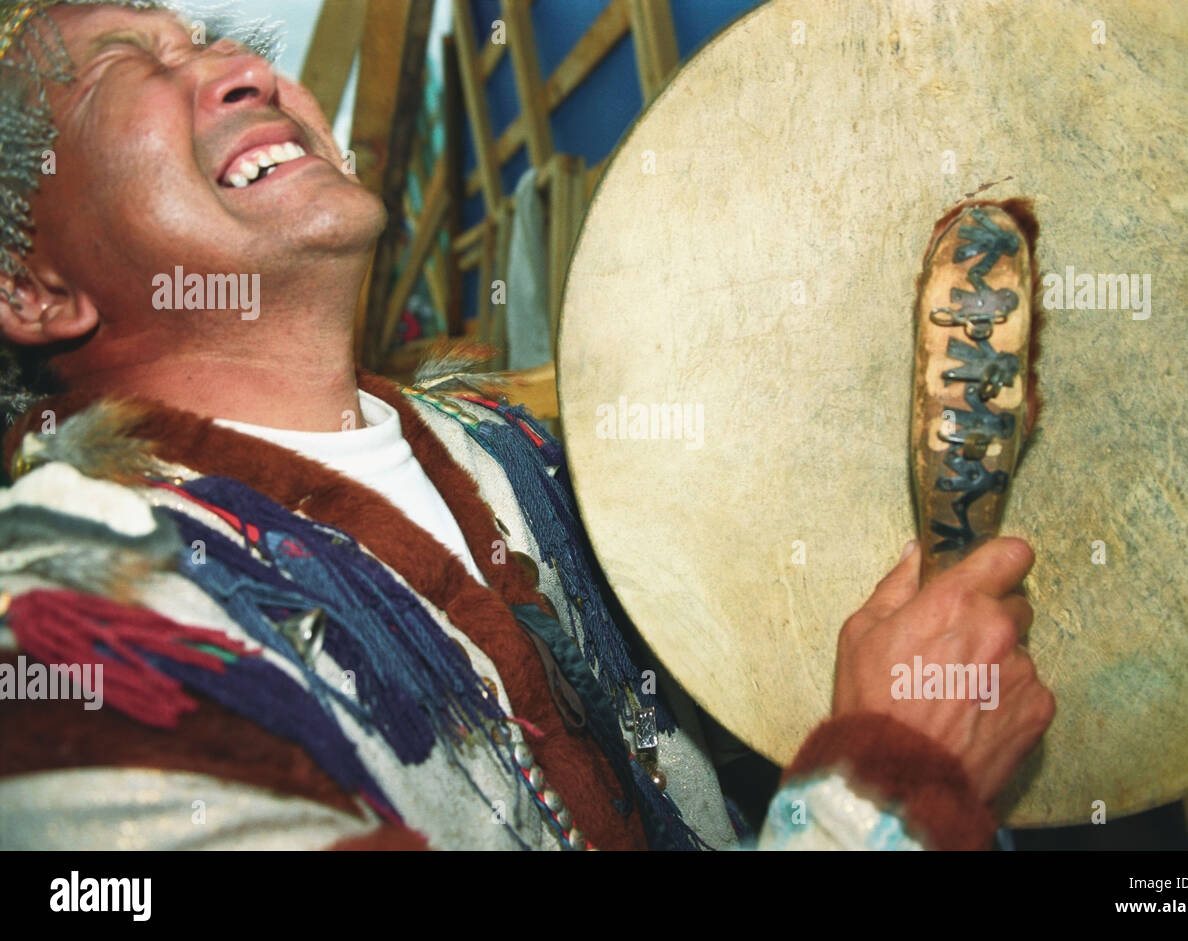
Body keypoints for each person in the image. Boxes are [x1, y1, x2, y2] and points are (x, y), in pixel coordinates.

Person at [0, 0, 1054, 850]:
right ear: (32, 287)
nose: (240, 68)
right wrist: (883, 793)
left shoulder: (510, 448)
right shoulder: (70, 625)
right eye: (124, 65)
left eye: (216, 39)